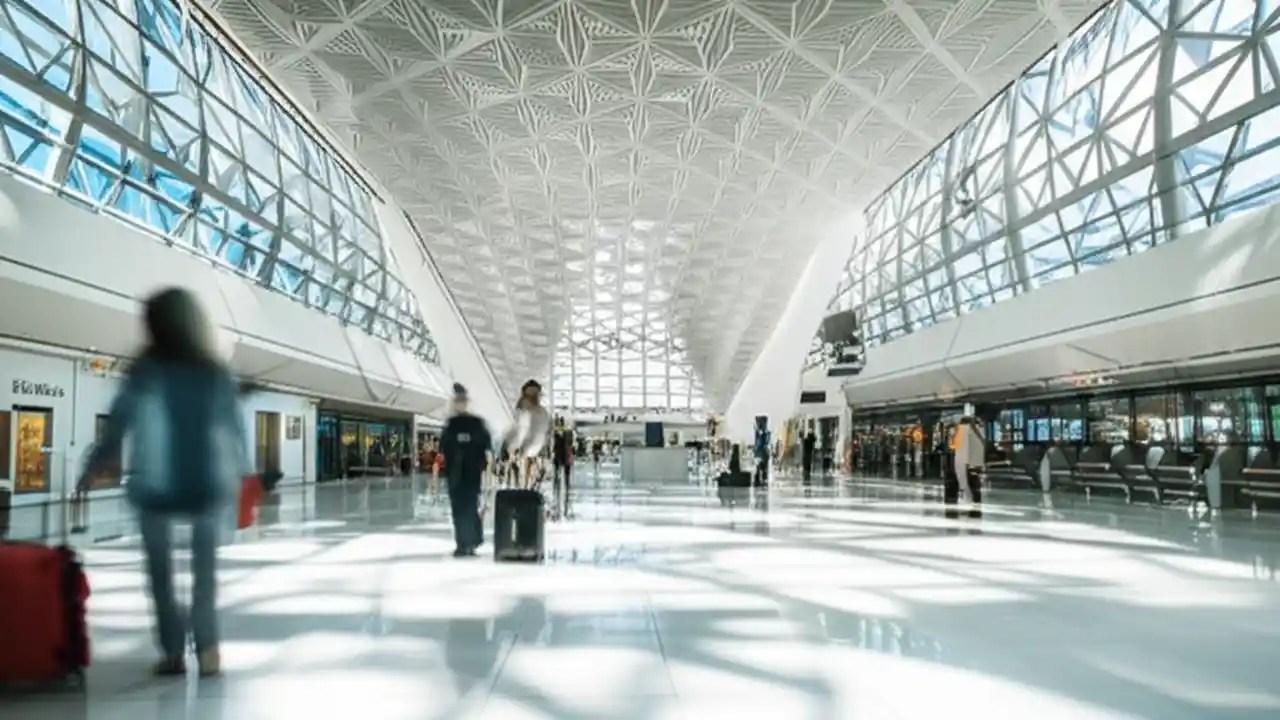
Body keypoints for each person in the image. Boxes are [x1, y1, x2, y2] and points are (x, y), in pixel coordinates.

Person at [79, 288, 248, 677]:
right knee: (204, 575)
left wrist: (94, 467)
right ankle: (207, 650)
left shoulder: (145, 369)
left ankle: (172, 651)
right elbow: (233, 428)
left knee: (160, 574)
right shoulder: (214, 370)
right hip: (206, 482)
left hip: (155, 485)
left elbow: (118, 422)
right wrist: (242, 475)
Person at [440, 383, 492, 557]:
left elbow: (485, 443)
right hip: (456, 473)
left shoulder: (476, 423)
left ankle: (469, 542)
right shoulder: (451, 424)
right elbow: (444, 445)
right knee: (459, 508)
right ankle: (464, 542)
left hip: (470, 473)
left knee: (469, 506)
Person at [505, 379, 551, 489]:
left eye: (536, 395)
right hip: (523, 456)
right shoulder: (522, 413)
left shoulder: (542, 413)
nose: (534, 398)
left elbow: (544, 435)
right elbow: (517, 432)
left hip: (530, 456)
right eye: (531, 395)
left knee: (525, 484)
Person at [951, 417, 986, 518]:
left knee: (967, 485)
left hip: (966, 463)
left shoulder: (963, 430)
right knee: (975, 485)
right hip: (976, 463)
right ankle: (976, 506)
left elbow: (957, 448)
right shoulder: (979, 430)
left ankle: (970, 506)